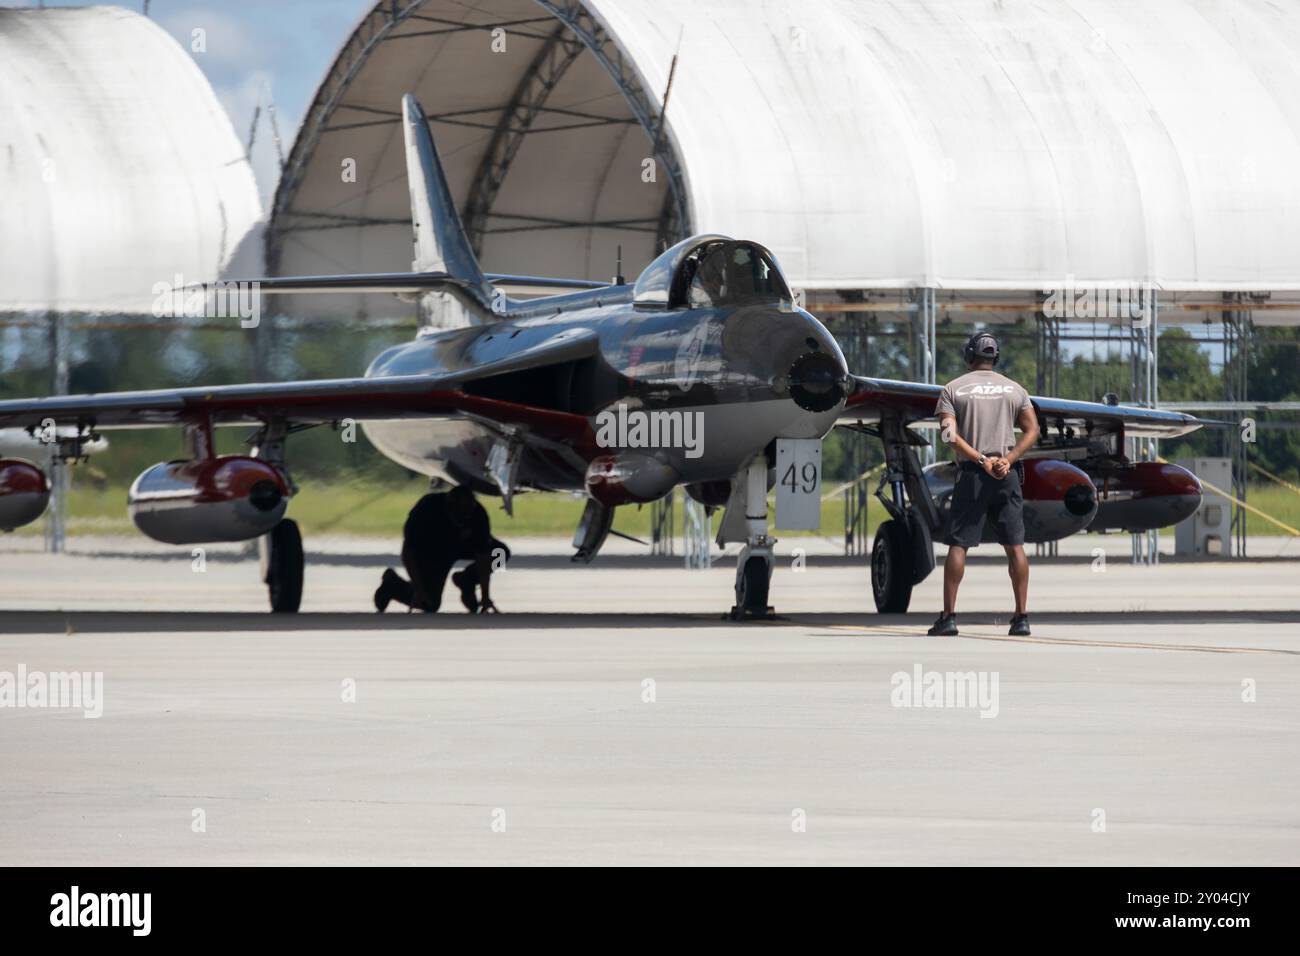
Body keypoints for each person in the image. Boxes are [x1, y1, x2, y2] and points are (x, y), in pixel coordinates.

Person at [928, 332, 1040, 637]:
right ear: (996, 357)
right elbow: (1033, 430)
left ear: (968, 356)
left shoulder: (953, 390)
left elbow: (949, 435)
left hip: (974, 476)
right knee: (1014, 545)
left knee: (959, 544)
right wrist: (1009, 457)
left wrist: (981, 460)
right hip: (1007, 475)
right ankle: (1021, 618)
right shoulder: (1015, 389)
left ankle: (949, 617)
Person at [374, 483, 508, 614]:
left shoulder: (477, 514)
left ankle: (468, 579)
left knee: (500, 553)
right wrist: (419, 589)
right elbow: (408, 553)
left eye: (467, 513)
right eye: (460, 515)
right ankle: (392, 585)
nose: (464, 519)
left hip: (463, 545)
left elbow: (483, 556)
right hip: (434, 552)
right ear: (449, 508)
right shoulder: (426, 510)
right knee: (430, 604)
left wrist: (485, 596)